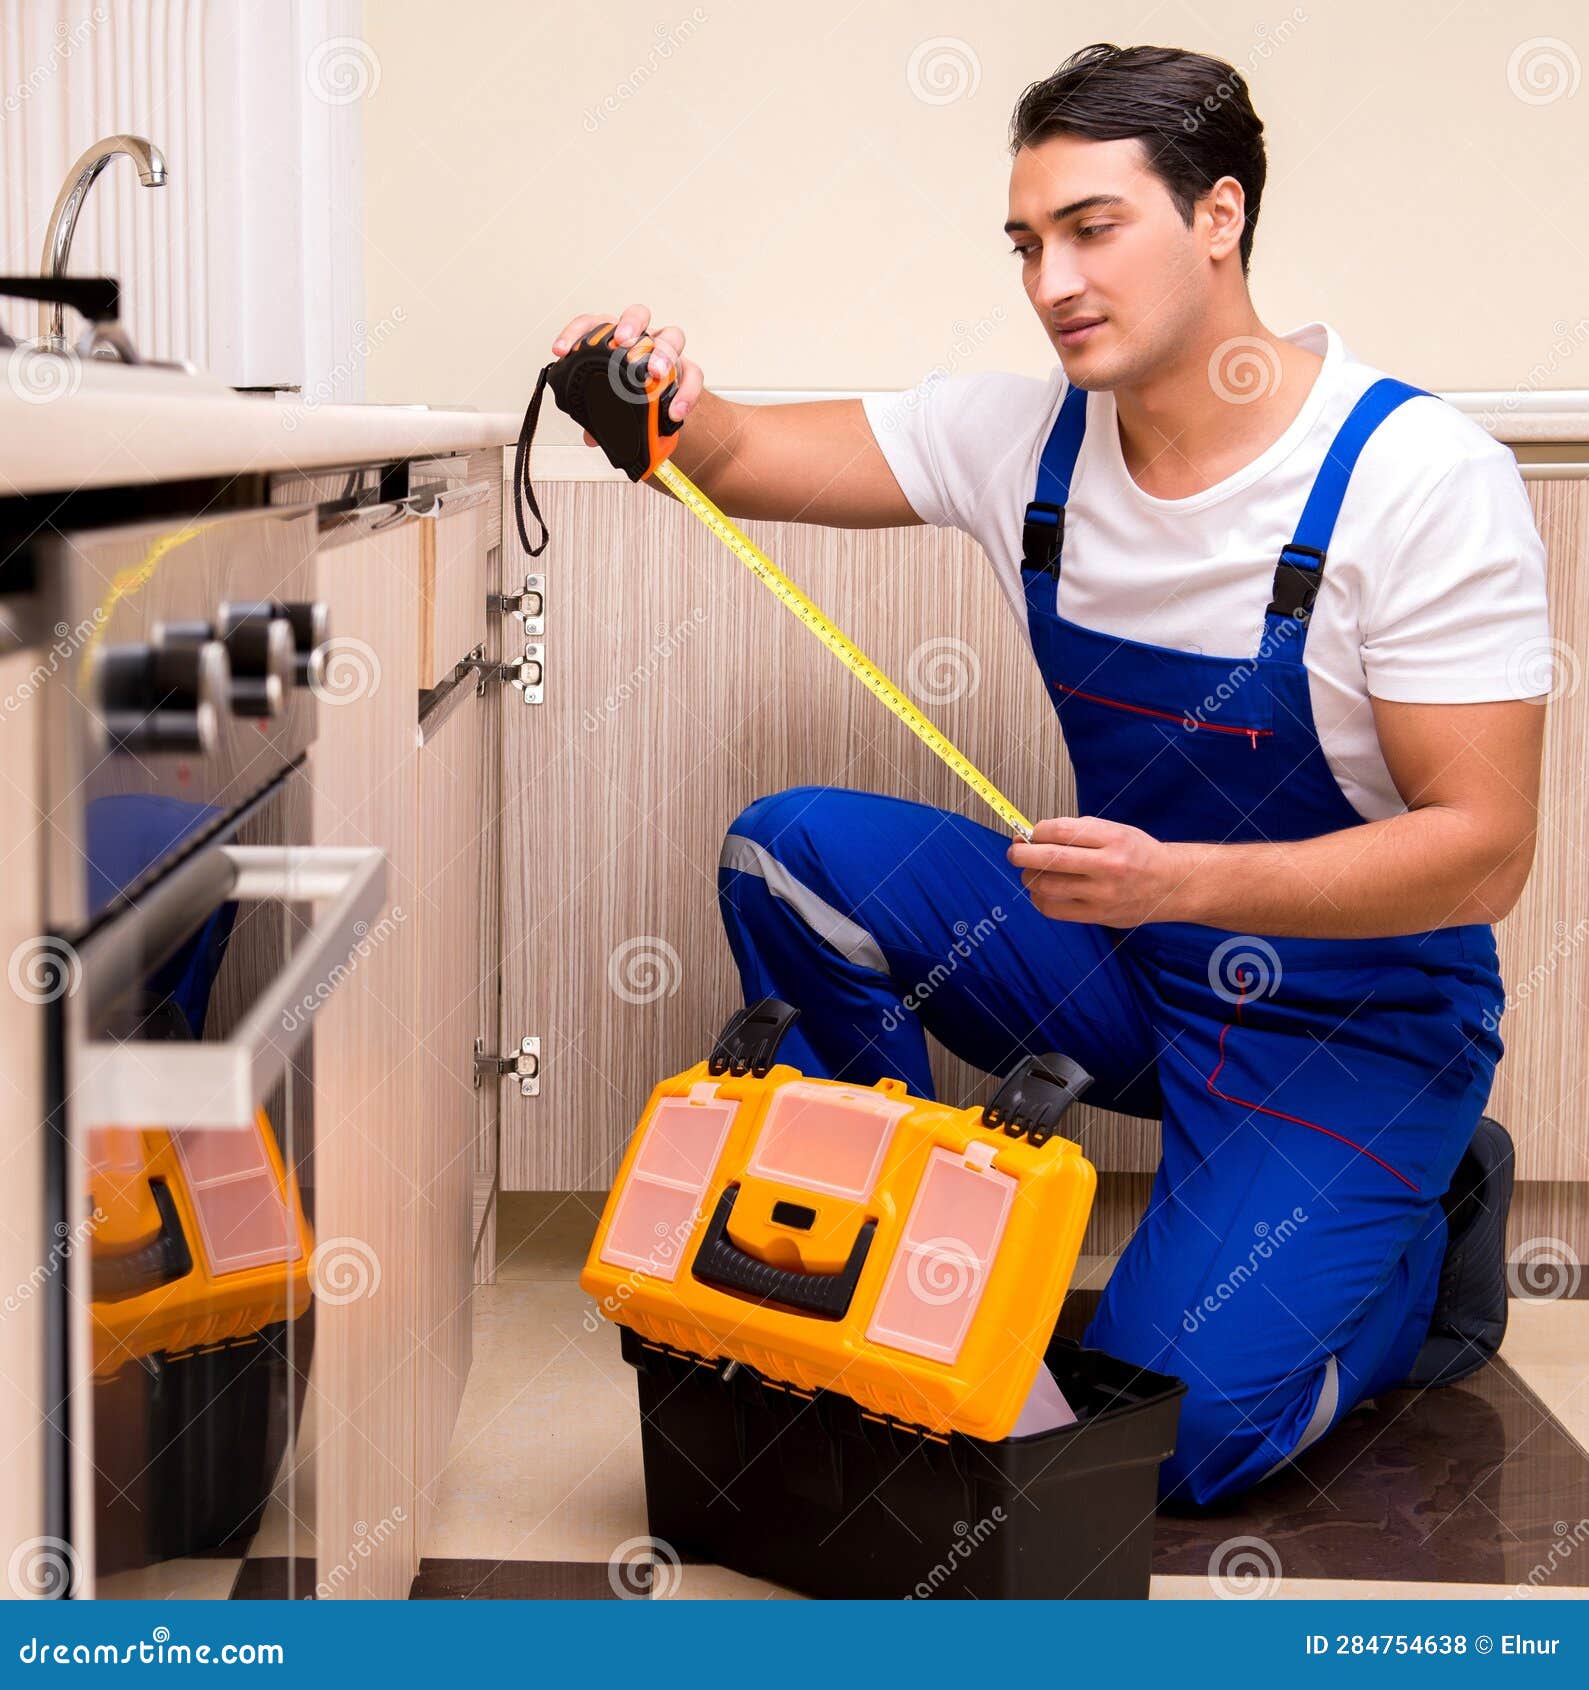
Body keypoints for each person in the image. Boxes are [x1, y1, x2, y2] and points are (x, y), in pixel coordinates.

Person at [549, 41, 1550, 1505]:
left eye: (1092, 228)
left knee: (1165, 1443)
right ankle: (876, 1257)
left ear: (1217, 217)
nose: (1051, 281)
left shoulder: (1415, 477)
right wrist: (637, 394)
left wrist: (1178, 878)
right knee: (786, 854)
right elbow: (740, 449)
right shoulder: (1019, 439)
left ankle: (1422, 1234)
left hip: (1353, 1021)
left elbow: (1483, 849)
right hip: (1135, 965)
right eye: (1028, 243)